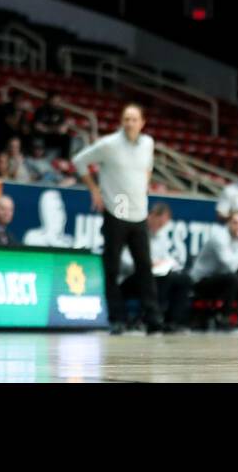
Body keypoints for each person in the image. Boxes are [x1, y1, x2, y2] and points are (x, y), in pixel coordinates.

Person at [73, 103, 162, 335]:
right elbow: (79, 161)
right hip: (116, 211)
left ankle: (153, 319)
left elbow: (147, 168)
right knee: (111, 268)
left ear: (142, 122)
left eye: (134, 119)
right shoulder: (109, 144)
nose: (129, 123)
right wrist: (94, 190)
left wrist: (144, 188)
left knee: (144, 268)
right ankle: (117, 318)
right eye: (126, 119)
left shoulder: (148, 143)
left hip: (140, 213)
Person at [120, 203, 192, 331]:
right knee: (161, 279)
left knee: (183, 279)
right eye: (159, 223)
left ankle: (173, 321)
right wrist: (145, 264)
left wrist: (167, 263)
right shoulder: (135, 230)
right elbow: (123, 261)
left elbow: (166, 258)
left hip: (155, 276)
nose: (160, 227)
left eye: (163, 225)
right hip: (130, 278)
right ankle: (152, 318)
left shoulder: (161, 235)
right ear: (151, 216)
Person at [191, 210, 238, 330]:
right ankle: (225, 318)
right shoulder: (219, 238)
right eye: (235, 223)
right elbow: (231, 267)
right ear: (228, 222)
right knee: (234, 278)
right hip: (202, 280)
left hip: (222, 278)